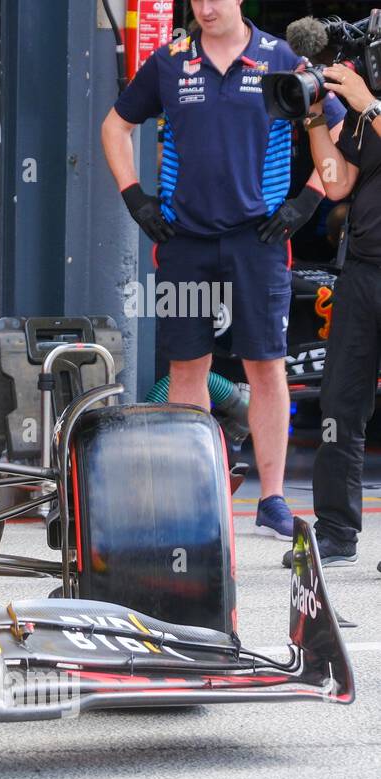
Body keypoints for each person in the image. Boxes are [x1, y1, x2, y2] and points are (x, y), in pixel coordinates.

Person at [101, 0, 341, 541]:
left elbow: (333, 129)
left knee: (266, 367)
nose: (205, 8)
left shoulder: (280, 56)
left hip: (257, 241)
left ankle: (273, 499)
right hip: (184, 241)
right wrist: (135, 198)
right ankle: (193, 495)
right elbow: (114, 127)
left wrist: (309, 199)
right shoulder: (170, 60)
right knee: (187, 368)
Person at [296, 58, 381, 568]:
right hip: (364, 272)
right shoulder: (361, 108)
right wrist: (313, 118)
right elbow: (336, 183)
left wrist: (366, 103)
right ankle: (336, 532)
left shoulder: (367, 104)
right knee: (340, 405)